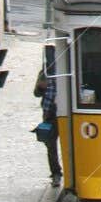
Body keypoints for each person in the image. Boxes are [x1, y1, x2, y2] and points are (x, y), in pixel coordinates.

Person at [34, 48, 62, 187]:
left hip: (64, 113)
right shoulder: (43, 74)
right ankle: (56, 173)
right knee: (51, 146)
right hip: (49, 115)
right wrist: (40, 87)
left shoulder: (65, 71)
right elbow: (36, 93)